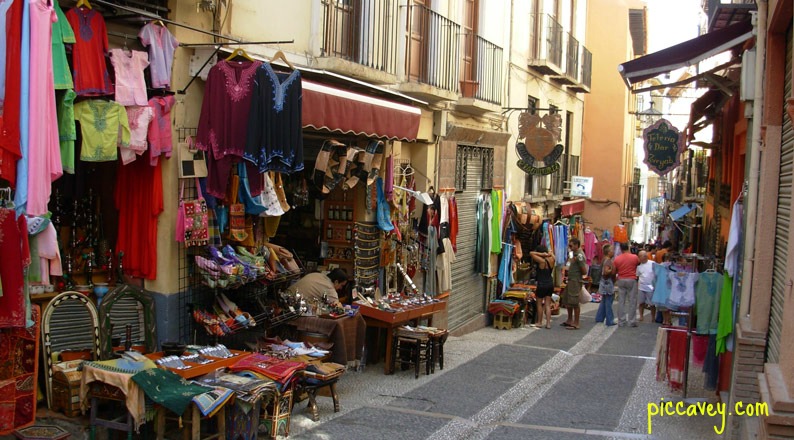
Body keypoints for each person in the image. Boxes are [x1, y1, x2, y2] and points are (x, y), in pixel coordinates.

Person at [562, 237, 587, 330]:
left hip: (575, 280)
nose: (570, 247)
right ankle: (569, 320)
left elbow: (584, 271)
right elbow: (570, 262)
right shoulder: (574, 254)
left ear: (576, 245)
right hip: (571, 279)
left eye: (571, 245)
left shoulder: (579, 256)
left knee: (574, 301)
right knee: (568, 300)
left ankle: (576, 323)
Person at [613, 242, 640, 327]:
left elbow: (614, 271)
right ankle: (632, 321)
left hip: (621, 279)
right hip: (632, 279)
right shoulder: (634, 257)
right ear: (628, 247)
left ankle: (621, 321)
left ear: (620, 249)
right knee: (632, 301)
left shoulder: (617, 259)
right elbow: (638, 263)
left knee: (621, 301)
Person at [530, 245, 555, 329]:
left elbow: (531, 253)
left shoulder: (541, 261)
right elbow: (553, 255)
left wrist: (541, 254)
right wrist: (548, 254)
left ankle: (540, 322)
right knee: (547, 304)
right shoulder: (552, 259)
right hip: (550, 283)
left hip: (541, 284)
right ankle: (548, 323)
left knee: (539, 304)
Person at [595, 244, 616, 326]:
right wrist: (612, 270)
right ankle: (609, 320)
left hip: (604, 282)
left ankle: (599, 317)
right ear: (608, 252)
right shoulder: (608, 261)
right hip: (607, 282)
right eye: (612, 250)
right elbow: (606, 271)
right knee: (608, 301)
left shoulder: (604, 260)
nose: (613, 252)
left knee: (604, 300)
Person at [636, 250, 656, 322]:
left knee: (652, 304)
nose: (640, 258)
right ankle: (641, 316)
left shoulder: (652, 263)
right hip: (641, 286)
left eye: (641, 256)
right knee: (641, 302)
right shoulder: (639, 267)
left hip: (650, 286)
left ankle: (653, 317)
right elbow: (637, 276)